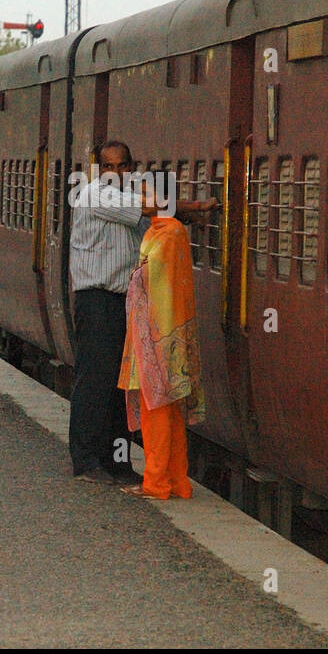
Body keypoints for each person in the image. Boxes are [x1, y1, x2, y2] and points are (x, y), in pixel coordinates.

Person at [66, 140, 216, 485]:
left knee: (123, 386)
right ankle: (87, 460)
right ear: (97, 169)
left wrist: (188, 216)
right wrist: (198, 204)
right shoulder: (95, 195)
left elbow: (157, 217)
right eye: (109, 166)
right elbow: (150, 208)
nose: (116, 173)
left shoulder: (129, 194)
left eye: (123, 166)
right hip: (97, 300)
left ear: (130, 167)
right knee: (95, 381)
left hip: (126, 302)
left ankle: (117, 461)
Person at [117, 216, 206, 499]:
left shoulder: (167, 234)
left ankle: (156, 483)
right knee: (171, 415)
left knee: (155, 412)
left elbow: (143, 279)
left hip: (155, 339)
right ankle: (177, 481)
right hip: (173, 337)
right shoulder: (169, 233)